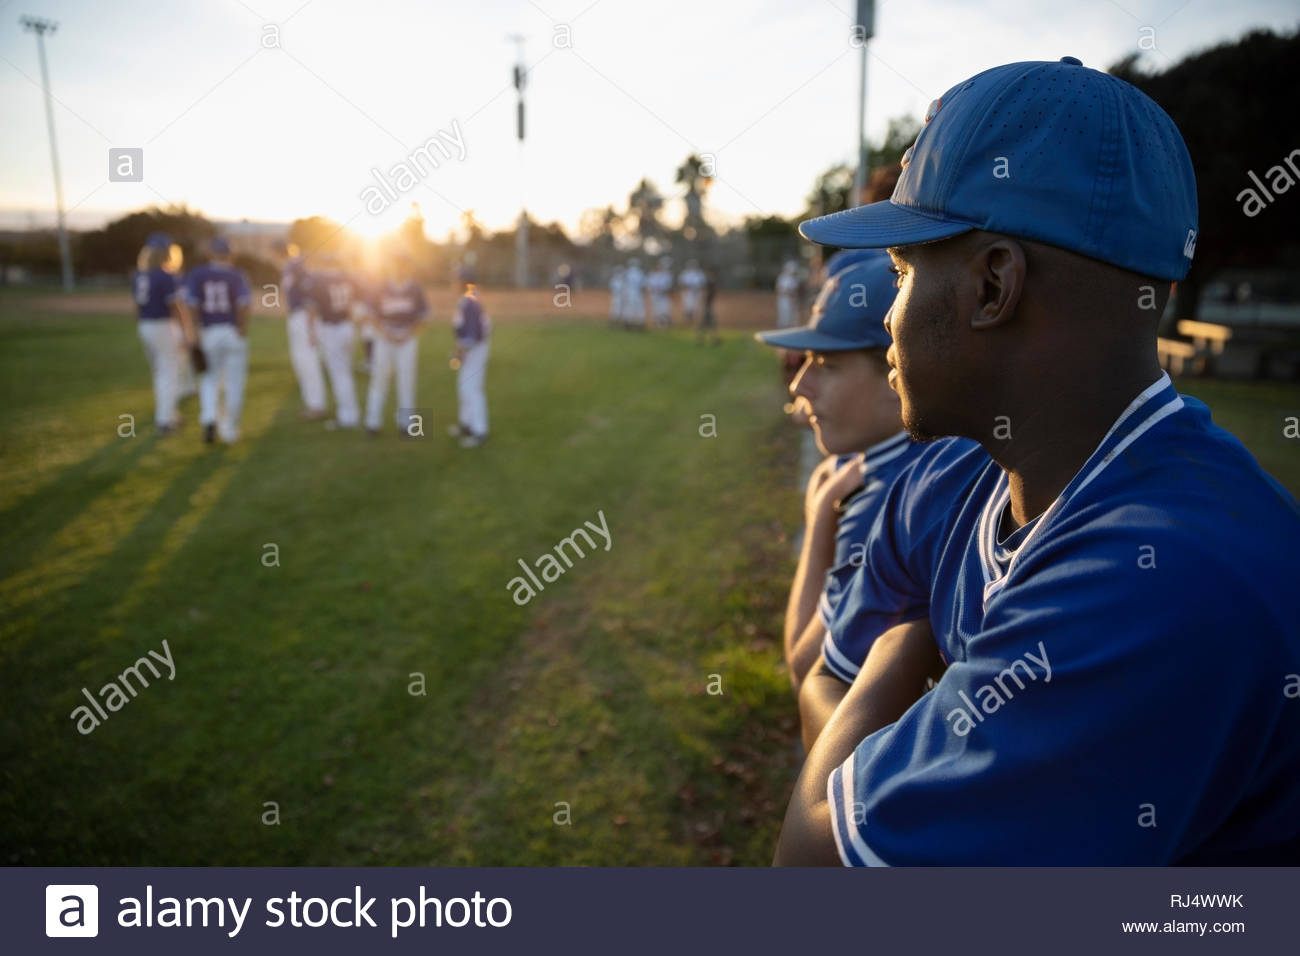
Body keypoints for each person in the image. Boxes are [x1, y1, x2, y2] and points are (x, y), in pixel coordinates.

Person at [775, 57, 1300, 866]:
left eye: (906, 271)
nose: (891, 317)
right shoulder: (957, 469)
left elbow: (815, 862)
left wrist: (906, 644)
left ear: (994, 286)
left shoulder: (1169, 577)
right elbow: (819, 687)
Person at [755, 255, 926, 704]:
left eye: (827, 365)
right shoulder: (929, 452)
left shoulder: (877, 496)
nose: (800, 386)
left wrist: (821, 516)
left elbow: (804, 667)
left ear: (898, 373)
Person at [179, 237, 251, 445]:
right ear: (231, 254)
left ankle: (209, 418)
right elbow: (243, 304)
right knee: (234, 383)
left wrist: (193, 332)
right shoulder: (237, 275)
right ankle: (229, 430)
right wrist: (241, 330)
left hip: (208, 331)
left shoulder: (198, 273)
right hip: (231, 331)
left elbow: (191, 304)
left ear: (211, 253)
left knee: (209, 379)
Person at [364, 252, 429, 437]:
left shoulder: (415, 288)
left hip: (407, 338)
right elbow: (371, 314)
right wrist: (385, 332)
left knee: (406, 380)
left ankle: (406, 424)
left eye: (403, 265)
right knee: (379, 378)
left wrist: (408, 335)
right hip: (385, 335)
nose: (400, 268)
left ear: (408, 267)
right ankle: (372, 423)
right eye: (397, 264)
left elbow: (423, 316)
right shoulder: (381, 286)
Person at [132, 232, 185, 434]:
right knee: (169, 372)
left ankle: (168, 414)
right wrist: (186, 330)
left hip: (145, 326)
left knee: (159, 373)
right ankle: (165, 420)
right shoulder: (166, 276)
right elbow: (176, 307)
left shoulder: (139, 275)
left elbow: (137, 306)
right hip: (163, 325)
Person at [273, 240, 327, 421]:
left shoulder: (297, 266)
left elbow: (310, 299)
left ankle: (317, 405)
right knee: (301, 361)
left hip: (305, 317)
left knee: (308, 361)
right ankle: (311, 403)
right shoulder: (289, 267)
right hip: (297, 317)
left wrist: (311, 328)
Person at [307, 252, 361, 429]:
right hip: (347, 326)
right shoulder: (347, 278)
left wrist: (311, 333)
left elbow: (312, 310)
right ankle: (351, 412)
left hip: (331, 329)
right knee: (345, 372)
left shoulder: (320, 281)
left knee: (340, 375)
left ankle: (347, 416)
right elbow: (355, 306)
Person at [448, 272, 491, 448]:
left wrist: (458, 353)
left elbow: (472, 335)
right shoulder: (469, 300)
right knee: (464, 387)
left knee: (471, 390)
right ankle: (466, 424)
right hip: (472, 349)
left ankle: (479, 431)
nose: (453, 284)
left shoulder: (470, 303)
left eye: (456, 281)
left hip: (475, 351)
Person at [647, 257, 674, 328]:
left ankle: (664, 325)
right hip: (655, 295)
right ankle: (657, 324)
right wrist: (656, 290)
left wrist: (664, 290)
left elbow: (669, 286)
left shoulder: (668, 275)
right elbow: (650, 286)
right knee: (656, 310)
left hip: (664, 295)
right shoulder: (653, 275)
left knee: (665, 310)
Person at [678, 259, 707, 325]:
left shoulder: (700, 273)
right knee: (688, 307)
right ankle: (688, 321)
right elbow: (681, 283)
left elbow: (703, 283)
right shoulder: (685, 273)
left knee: (695, 307)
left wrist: (698, 287)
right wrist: (687, 287)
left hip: (697, 292)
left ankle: (695, 321)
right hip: (687, 292)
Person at [696, 266, 720, 346]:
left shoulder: (711, 281)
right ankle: (712, 339)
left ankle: (702, 339)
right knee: (710, 323)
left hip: (708, 305)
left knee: (705, 323)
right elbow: (706, 293)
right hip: (708, 305)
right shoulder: (710, 282)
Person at [622, 257, 646, 329]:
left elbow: (624, 284)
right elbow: (643, 285)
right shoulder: (640, 273)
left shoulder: (627, 272)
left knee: (628, 308)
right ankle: (640, 324)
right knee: (639, 308)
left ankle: (627, 323)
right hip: (638, 293)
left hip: (629, 293)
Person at [775, 260, 801, 329]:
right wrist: (787, 292)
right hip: (783, 300)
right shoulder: (782, 278)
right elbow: (779, 289)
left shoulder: (794, 279)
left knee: (792, 318)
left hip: (792, 301)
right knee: (784, 317)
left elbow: (795, 291)